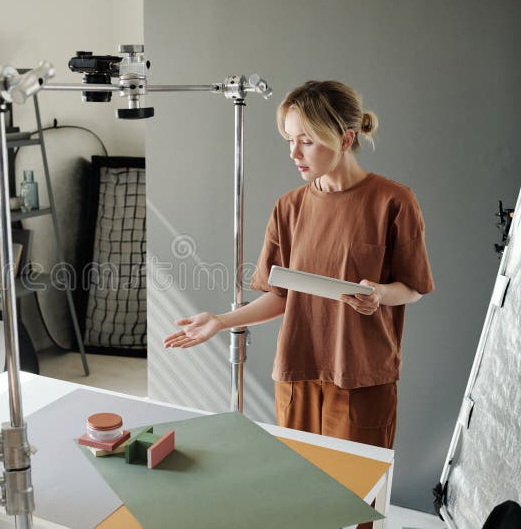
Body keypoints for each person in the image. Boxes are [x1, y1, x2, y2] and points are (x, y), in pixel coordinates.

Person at [164, 80, 434, 451]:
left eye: (306, 140)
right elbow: (280, 298)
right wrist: (221, 321)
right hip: (297, 374)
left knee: (354, 500)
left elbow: (413, 288)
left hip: (361, 378)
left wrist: (379, 294)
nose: (294, 153)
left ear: (344, 139)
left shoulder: (393, 201)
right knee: (301, 493)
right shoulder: (288, 208)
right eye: (289, 140)